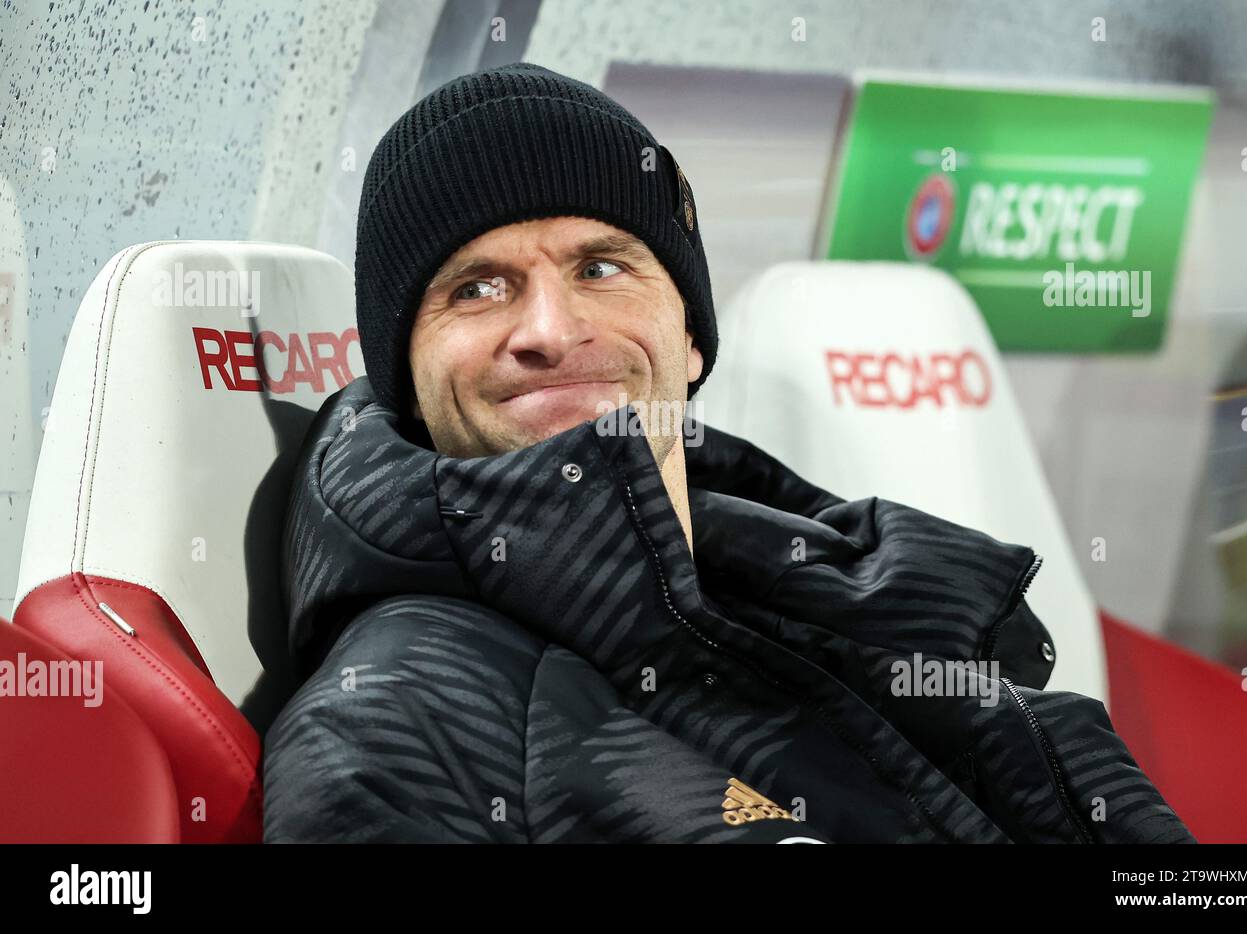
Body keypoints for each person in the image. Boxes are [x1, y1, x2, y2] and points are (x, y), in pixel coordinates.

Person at [261, 61, 1193, 843]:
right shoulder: (395, 719)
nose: (550, 329)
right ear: (404, 375)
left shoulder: (844, 596)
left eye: (600, 267)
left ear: (693, 338)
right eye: (476, 288)